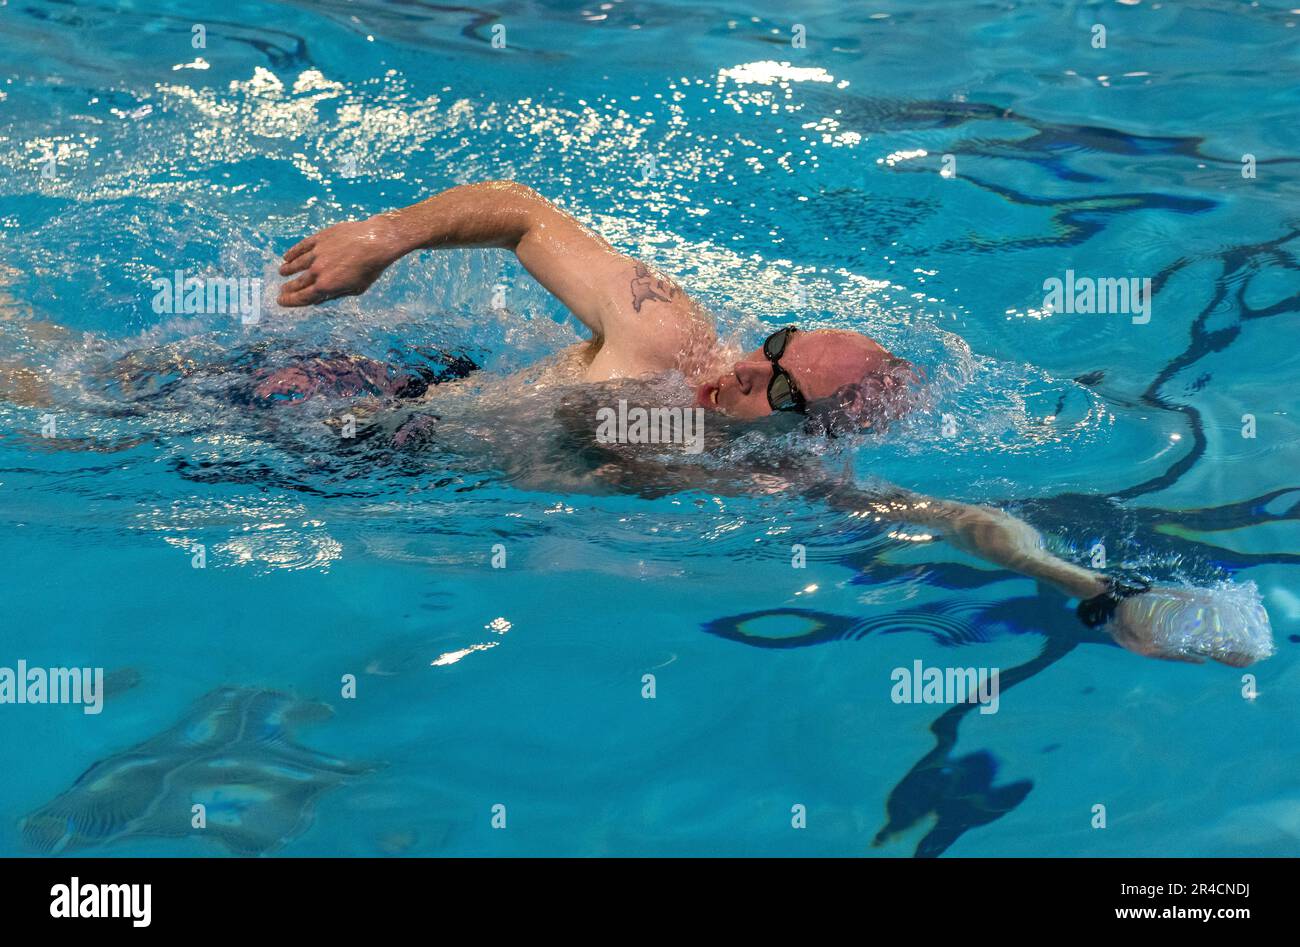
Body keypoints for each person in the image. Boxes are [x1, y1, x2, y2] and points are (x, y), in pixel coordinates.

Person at [274, 180, 1274, 668]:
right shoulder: (666, 339)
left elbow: (958, 520)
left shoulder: (770, 482)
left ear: (805, 431)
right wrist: (382, 237)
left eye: (781, 390)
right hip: (343, 416)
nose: (744, 372)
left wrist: (1092, 589)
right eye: (775, 345)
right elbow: (525, 212)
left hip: (396, 484)